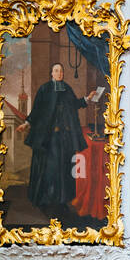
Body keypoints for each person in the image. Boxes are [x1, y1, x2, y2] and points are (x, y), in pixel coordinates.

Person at [17, 63, 99, 219]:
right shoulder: (44, 89)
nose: (59, 73)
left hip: (64, 138)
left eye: (61, 71)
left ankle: (62, 201)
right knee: (50, 171)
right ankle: (47, 202)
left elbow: (75, 104)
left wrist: (87, 99)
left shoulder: (67, 88)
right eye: (56, 70)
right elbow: (36, 111)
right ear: (51, 73)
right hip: (49, 139)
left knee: (64, 170)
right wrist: (27, 124)